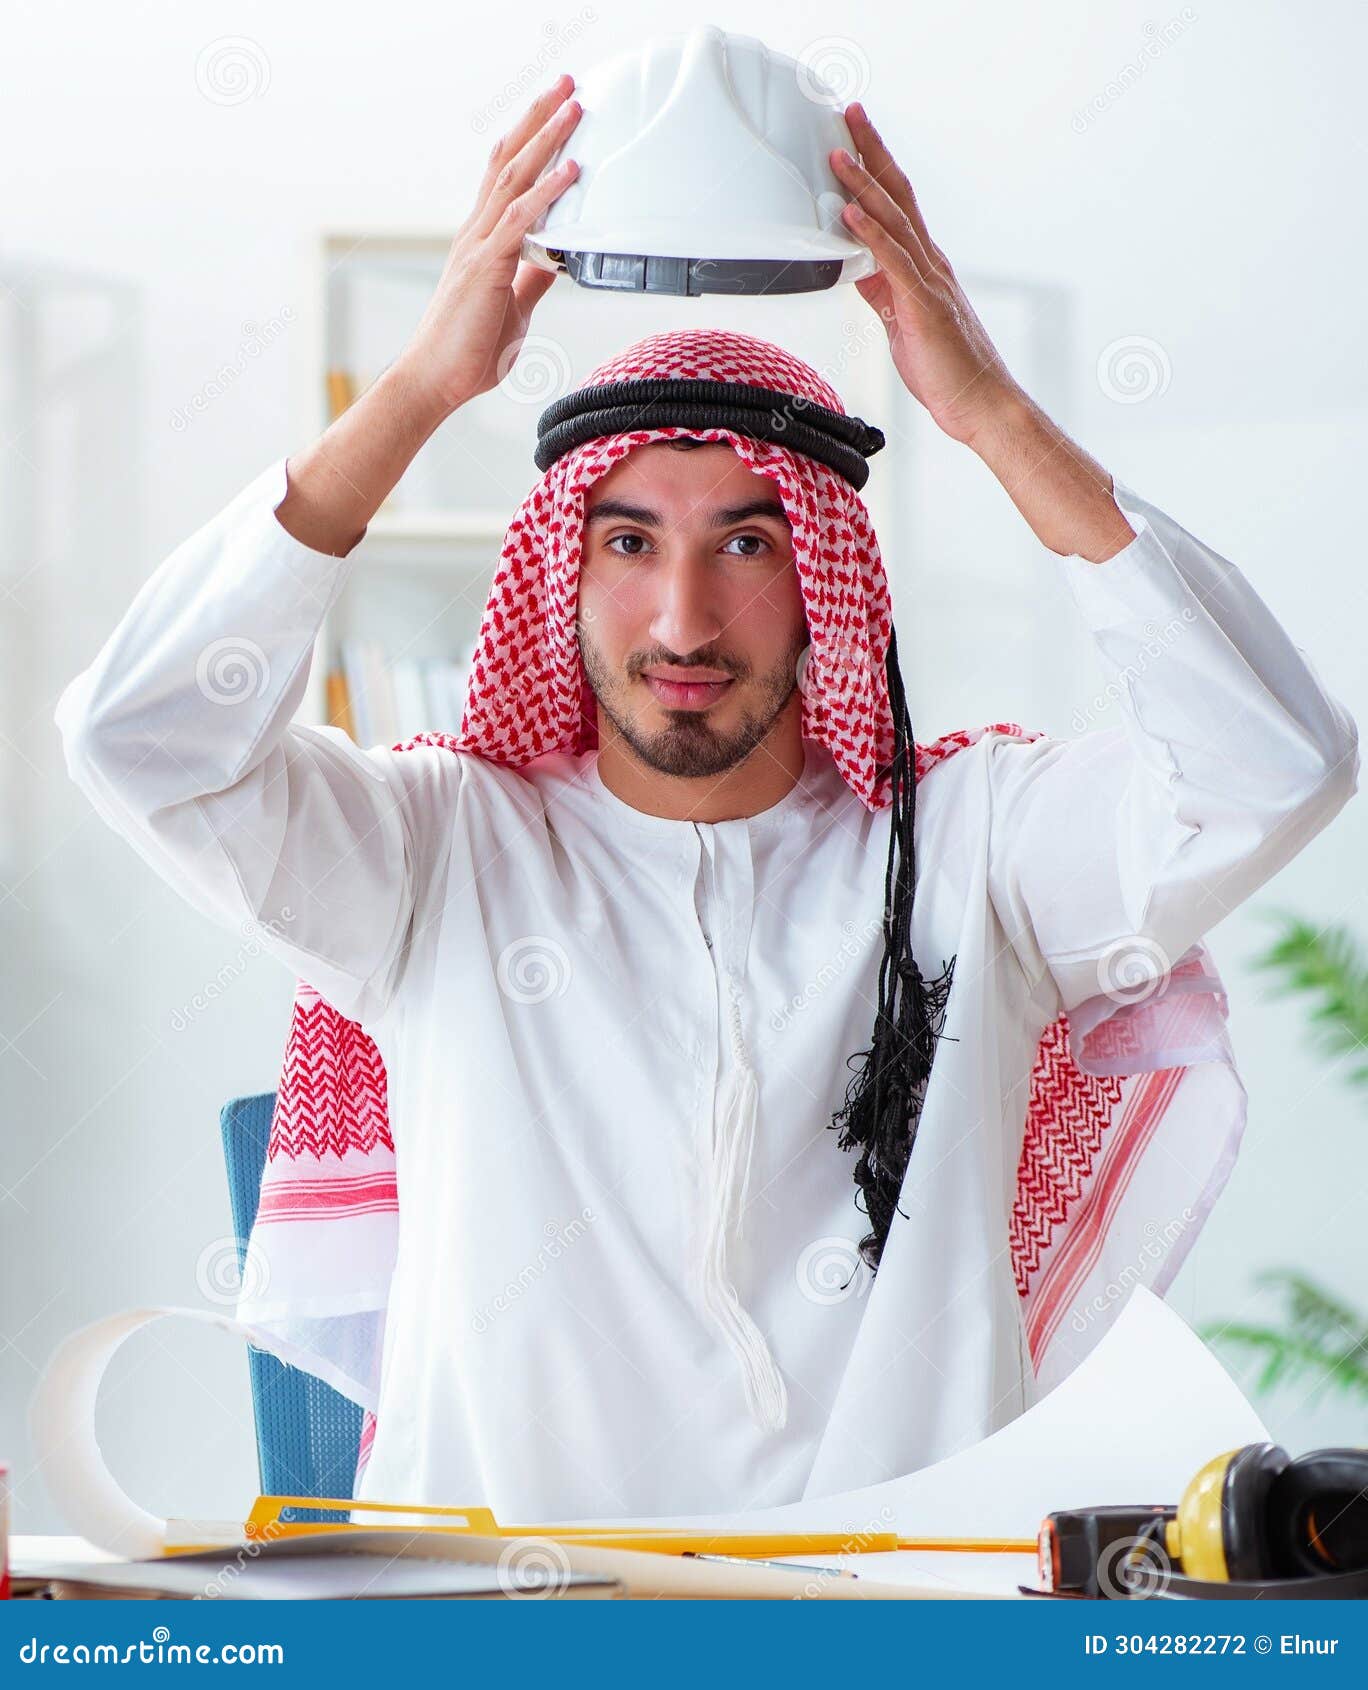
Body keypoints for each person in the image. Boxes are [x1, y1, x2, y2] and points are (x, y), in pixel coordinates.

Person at [55, 76, 1358, 1524]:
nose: (683, 618)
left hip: (901, 1630)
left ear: (823, 575)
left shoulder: (977, 850)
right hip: (498, 1640)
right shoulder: (435, 855)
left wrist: (988, 412)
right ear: (566, 567)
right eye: (630, 541)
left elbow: (1272, 766)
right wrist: (423, 384)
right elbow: (141, 740)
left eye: (746, 542)